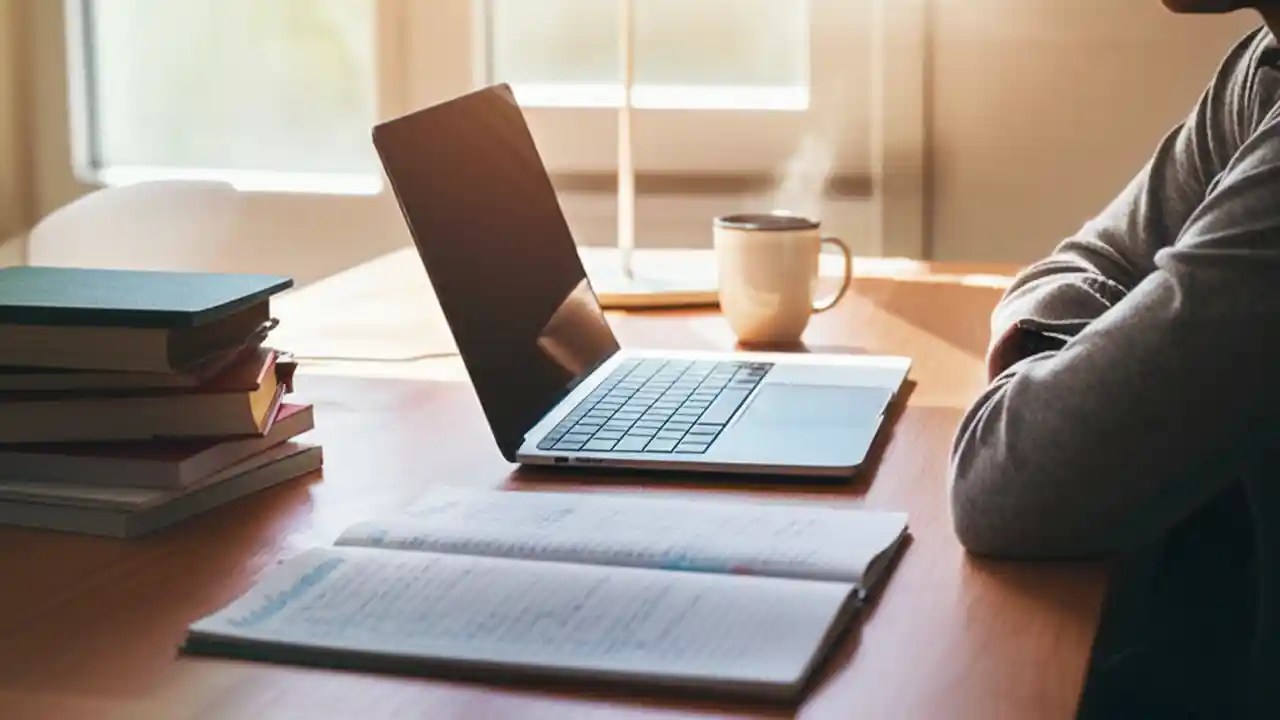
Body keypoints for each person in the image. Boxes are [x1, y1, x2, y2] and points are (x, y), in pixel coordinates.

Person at [948, 2, 1280, 717]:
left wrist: (1064, 398)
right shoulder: (1262, 70)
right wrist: (1076, 368)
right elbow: (1083, 260)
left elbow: (1003, 483)